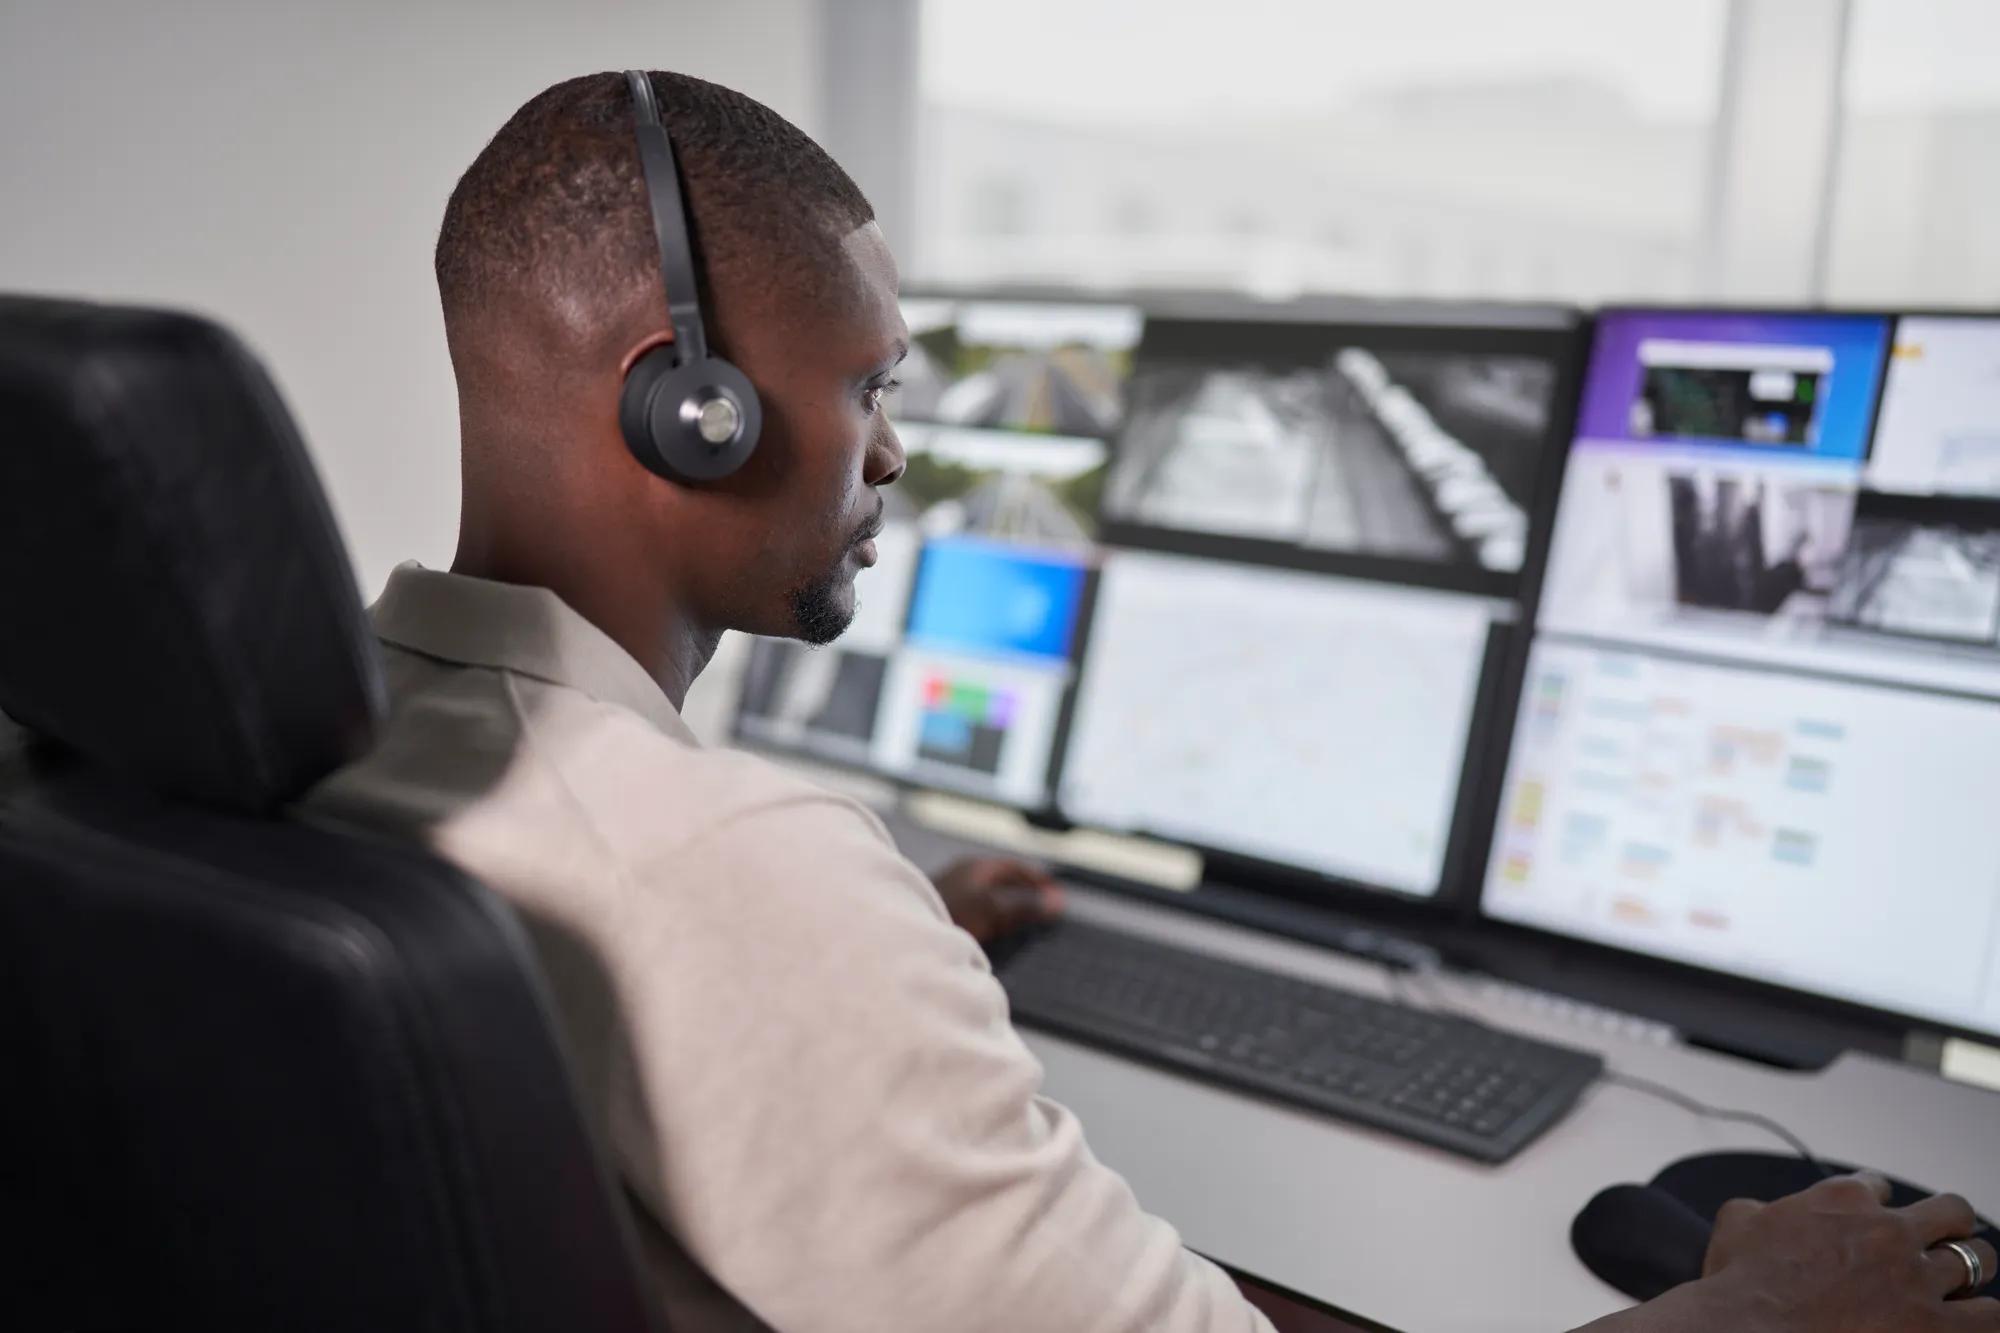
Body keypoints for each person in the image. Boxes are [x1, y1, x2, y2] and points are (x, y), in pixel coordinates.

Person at [305, 71, 1998, 1333]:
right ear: (691, 411)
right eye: (867, 386)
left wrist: (872, 965)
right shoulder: (734, 868)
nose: (893, 451)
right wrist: (1756, 1312)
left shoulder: (326, 732)